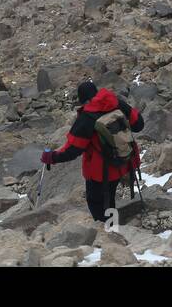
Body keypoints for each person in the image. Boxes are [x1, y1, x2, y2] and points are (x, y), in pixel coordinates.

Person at [41, 81, 145, 222]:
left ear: (84, 100)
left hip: (100, 171)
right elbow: (139, 124)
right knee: (110, 197)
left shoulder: (86, 117)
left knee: (96, 203)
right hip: (123, 162)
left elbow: (73, 150)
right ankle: (113, 228)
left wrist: (51, 157)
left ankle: (108, 232)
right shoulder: (116, 103)